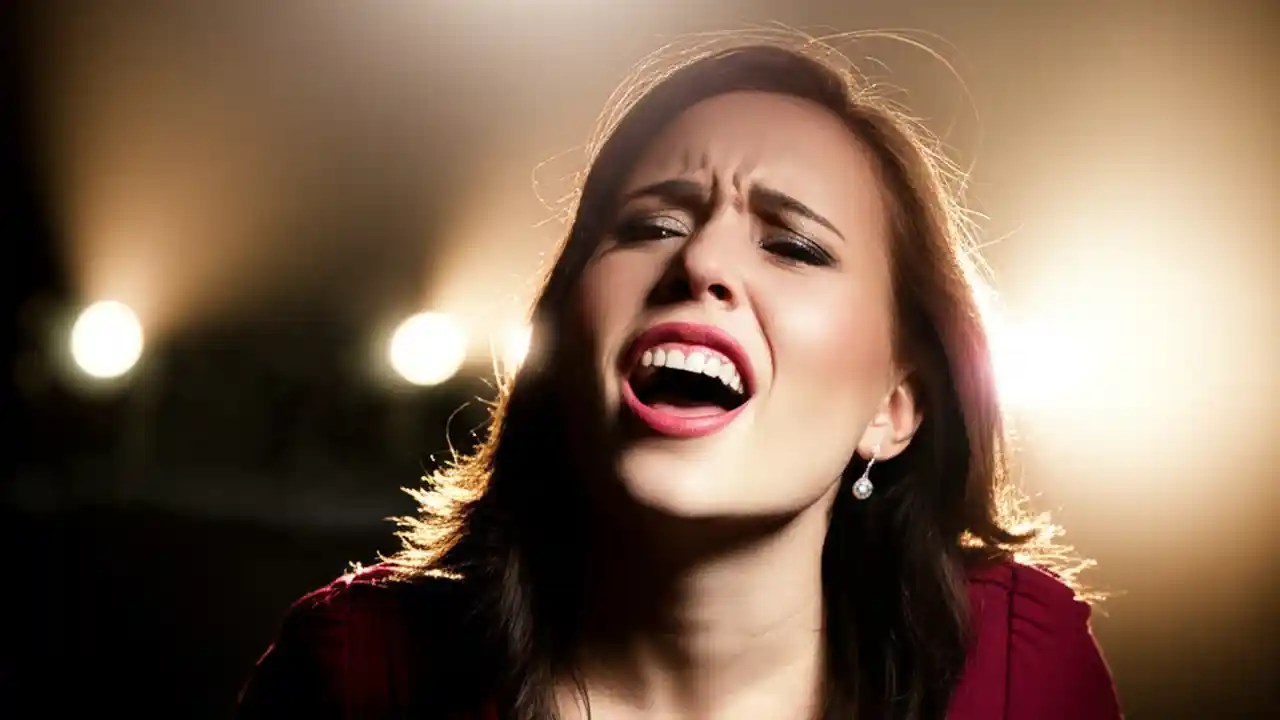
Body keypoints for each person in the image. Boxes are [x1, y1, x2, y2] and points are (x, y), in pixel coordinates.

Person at [236, 37, 1122, 719]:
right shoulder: (355, 672)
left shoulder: (1019, 677)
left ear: (896, 409)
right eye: (649, 225)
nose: (700, 258)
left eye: (794, 245)